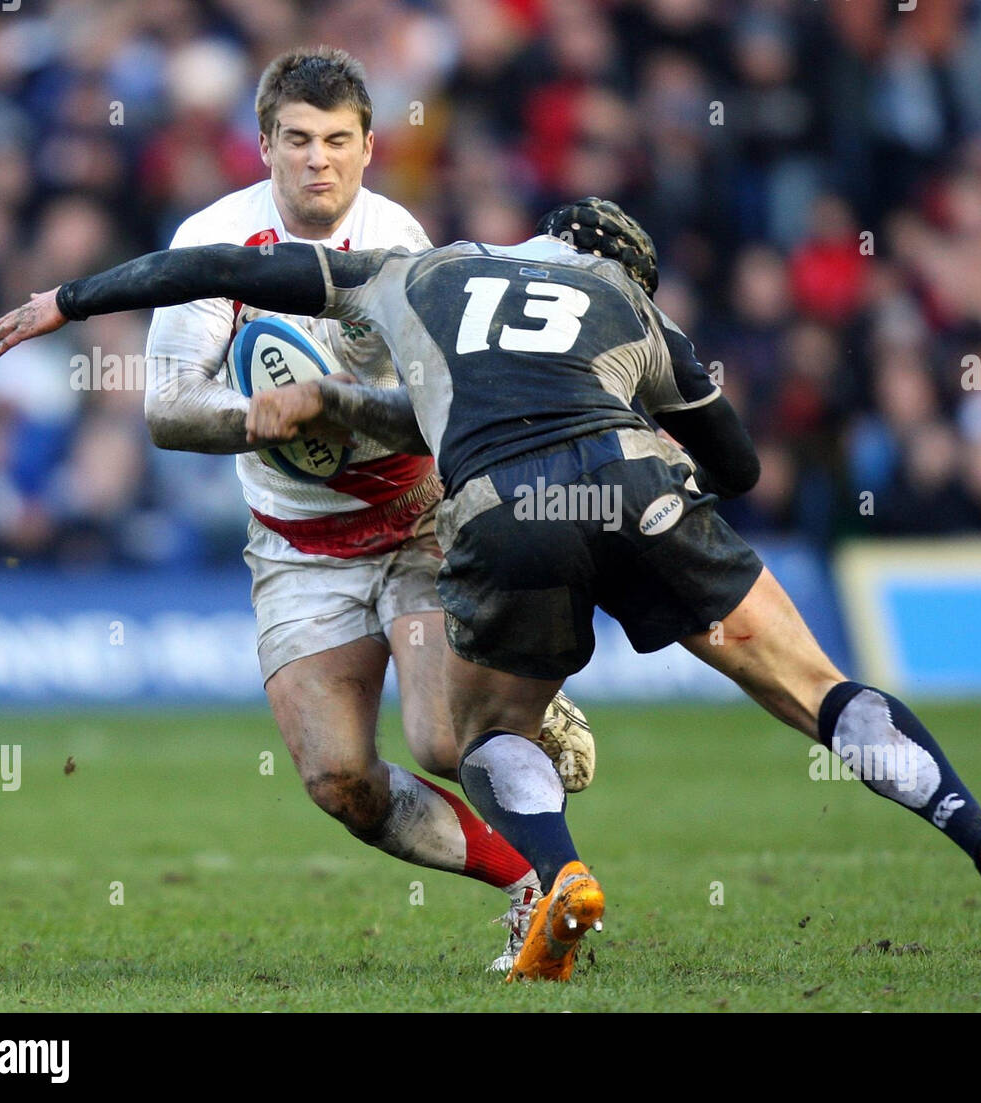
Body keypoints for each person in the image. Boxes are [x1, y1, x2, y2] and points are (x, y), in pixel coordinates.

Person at [0, 197, 981, 984]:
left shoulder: (411, 270)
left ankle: (560, 876)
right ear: (617, 263)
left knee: (477, 734)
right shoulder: (631, 306)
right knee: (817, 688)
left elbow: (219, 270)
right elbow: (743, 468)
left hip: (502, 510)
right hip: (640, 483)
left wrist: (69, 300)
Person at [124, 46, 596, 972]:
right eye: (297, 139)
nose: (318, 159)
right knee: (341, 781)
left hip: (415, 518)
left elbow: (436, 407)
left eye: (338, 140)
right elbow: (166, 409)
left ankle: (531, 776)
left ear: (370, 146)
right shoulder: (211, 242)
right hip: (296, 543)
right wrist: (251, 418)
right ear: (264, 143)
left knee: (444, 739)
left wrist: (330, 405)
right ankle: (528, 884)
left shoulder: (401, 246)